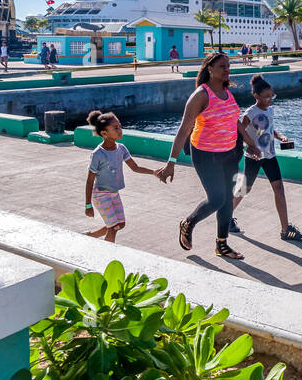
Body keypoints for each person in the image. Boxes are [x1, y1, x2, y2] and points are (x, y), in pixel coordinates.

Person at [155, 52, 260, 259]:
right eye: (222, 66)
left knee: (228, 199)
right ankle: (188, 223)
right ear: (209, 68)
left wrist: (250, 143)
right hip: (205, 154)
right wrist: (171, 162)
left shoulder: (227, 91)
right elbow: (184, 129)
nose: (227, 69)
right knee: (217, 198)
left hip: (229, 153)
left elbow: (235, 121)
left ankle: (222, 245)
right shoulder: (201, 95)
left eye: (228, 66)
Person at [229, 75, 302, 241]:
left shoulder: (270, 109)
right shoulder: (251, 113)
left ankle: (285, 230)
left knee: (279, 188)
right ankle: (227, 217)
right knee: (245, 189)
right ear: (256, 96)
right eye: (266, 96)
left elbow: (269, 129)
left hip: (270, 155)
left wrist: (281, 137)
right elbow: (239, 132)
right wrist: (249, 146)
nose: (270, 99)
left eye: (272, 96)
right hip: (253, 157)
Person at [84, 110, 156, 242]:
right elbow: (89, 181)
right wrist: (88, 205)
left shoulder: (121, 148)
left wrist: (154, 172)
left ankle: (92, 236)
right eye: (115, 128)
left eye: (120, 126)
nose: (120, 130)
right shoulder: (97, 154)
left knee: (120, 224)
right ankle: (107, 254)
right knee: (113, 227)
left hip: (114, 193)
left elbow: (135, 167)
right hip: (101, 195)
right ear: (104, 133)